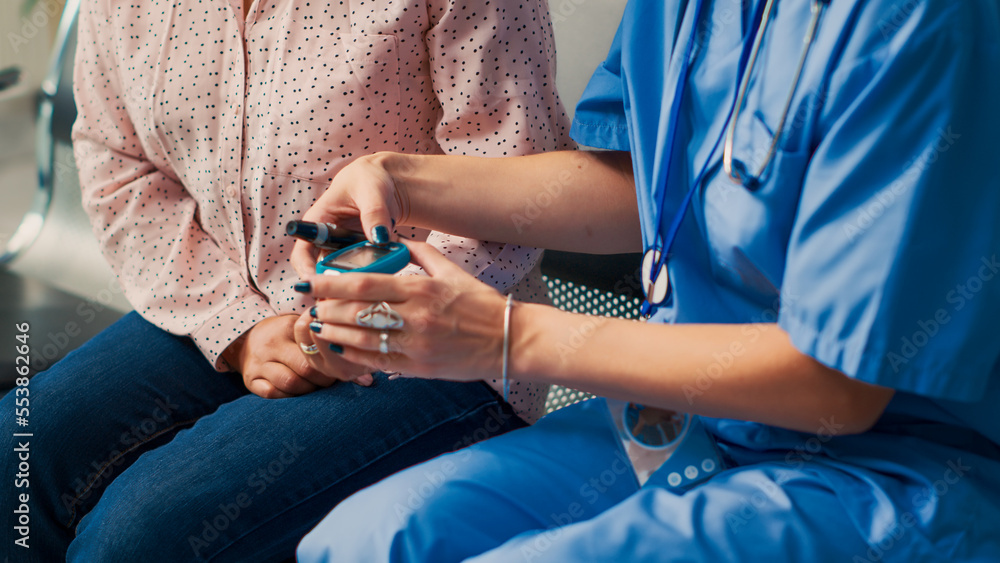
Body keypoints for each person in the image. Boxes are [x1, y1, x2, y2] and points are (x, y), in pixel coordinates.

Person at [291, 0, 1000, 560]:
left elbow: (837, 387)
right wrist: (401, 181)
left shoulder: (922, 22)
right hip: (685, 414)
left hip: (884, 465)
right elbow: (638, 183)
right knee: (366, 541)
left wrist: (504, 336)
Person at [0, 0, 573, 561]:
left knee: (142, 535)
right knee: (16, 455)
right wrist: (240, 328)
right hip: (223, 300)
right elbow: (118, 163)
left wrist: (362, 322)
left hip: (437, 341)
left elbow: (518, 180)